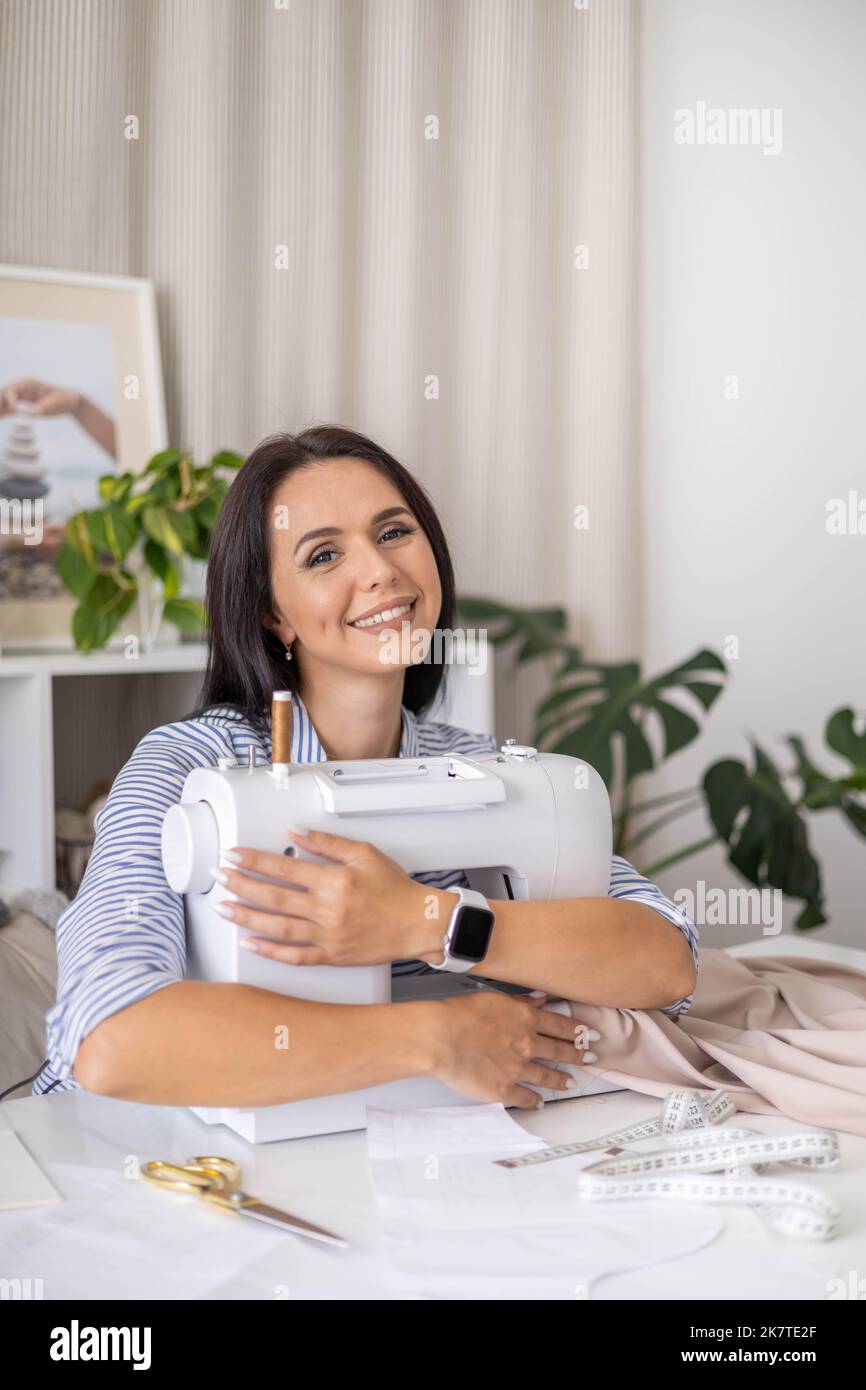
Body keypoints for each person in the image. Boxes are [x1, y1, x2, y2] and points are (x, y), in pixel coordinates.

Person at [35, 426, 699, 1110]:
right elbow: (108, 1039)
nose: (380, 571)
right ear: (272, 613)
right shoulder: (186, 767)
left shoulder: (475, 765)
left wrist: (425, 921)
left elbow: (665, 958)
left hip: (359, 1139)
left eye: (393, 533)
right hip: (127, 1152)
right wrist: (432, 1037)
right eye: (324, 555)